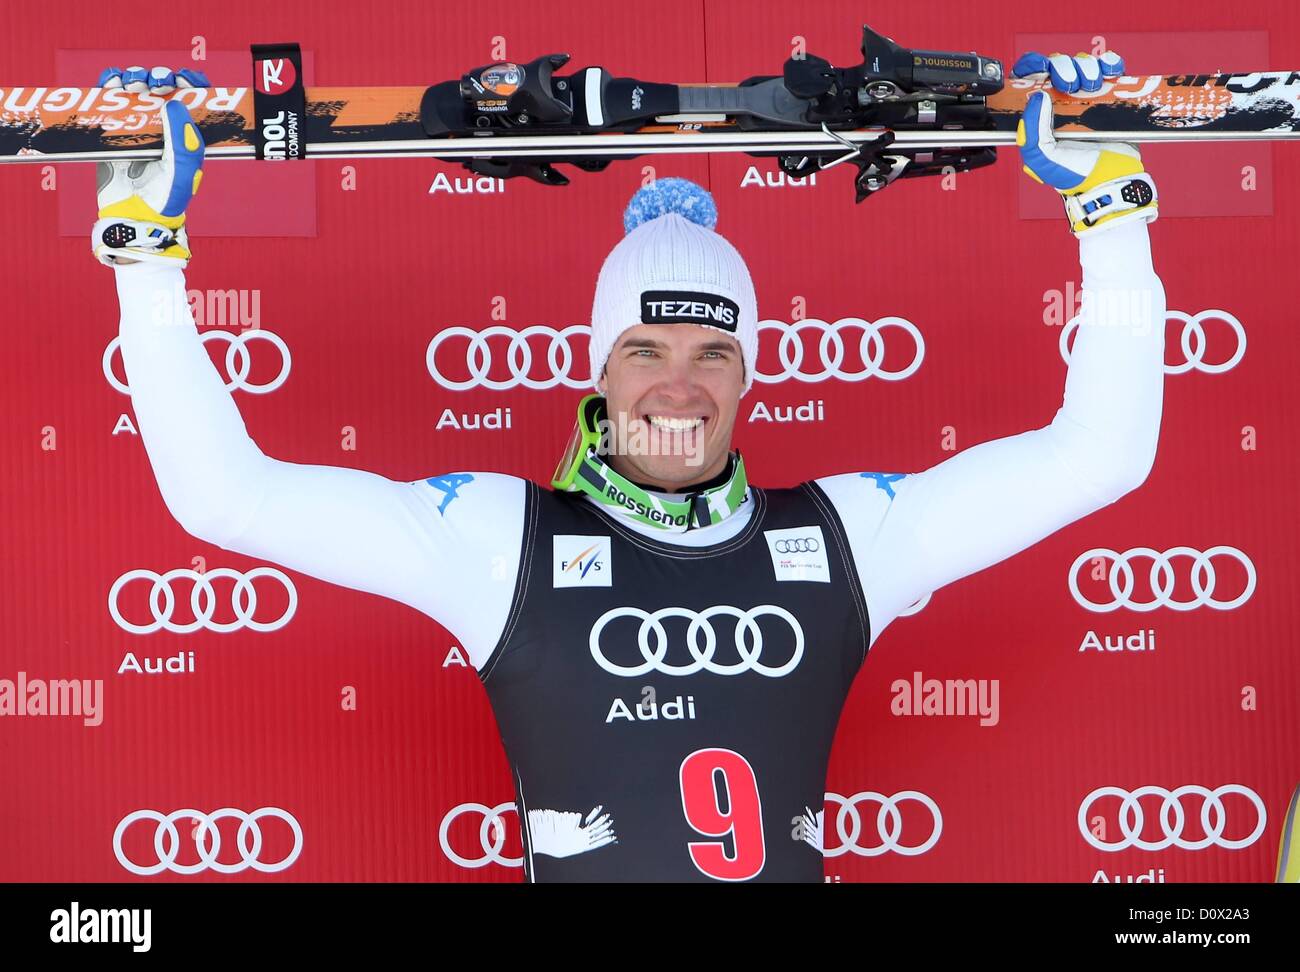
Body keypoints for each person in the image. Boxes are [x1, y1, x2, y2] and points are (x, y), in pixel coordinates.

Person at [96, 51, 1165, 882]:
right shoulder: (497, 540)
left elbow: (1101, 457)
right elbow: (225, 498)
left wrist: (1110, 217)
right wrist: (145, 259)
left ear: (749, 377)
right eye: (644, 352)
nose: (678, 386)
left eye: (713, 355)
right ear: (599, 372)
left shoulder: (849, 537)